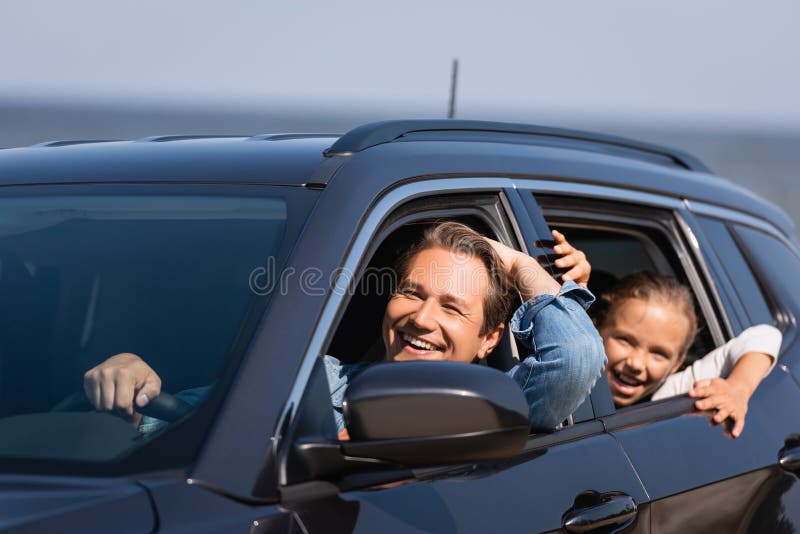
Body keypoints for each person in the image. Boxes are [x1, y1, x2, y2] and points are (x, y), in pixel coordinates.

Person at [84, 222, 607, 435]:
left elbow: (575, 361)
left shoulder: (497, 403)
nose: (422, 318)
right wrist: (135, 385)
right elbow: (192, 426)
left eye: (453, 308)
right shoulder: (317, 378)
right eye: (412, 293)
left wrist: (521, 267)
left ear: (491, 337)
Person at [593, 271, 781, 438]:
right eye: (625, 340)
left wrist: (738, 388)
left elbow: (765, 335)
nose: (636, 364)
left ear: (675, 365)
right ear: (595, 330)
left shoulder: (671, 393)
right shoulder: (568, 374)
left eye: (659, 354)